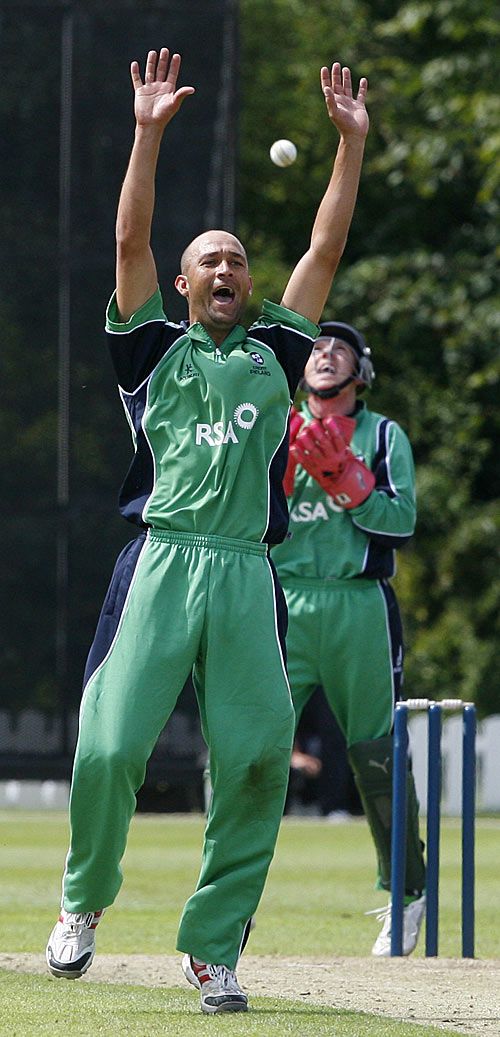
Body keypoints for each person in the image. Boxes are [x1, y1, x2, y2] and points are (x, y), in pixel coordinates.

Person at [45, 49, 369, 1012]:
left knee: (261, 756)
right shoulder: (150, 346)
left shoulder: (278, 341)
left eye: (235, 258)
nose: (224, 267)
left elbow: (325, 250)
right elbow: (129, 238)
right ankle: (82, 905)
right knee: (107, 748)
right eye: (208, 260)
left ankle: (215, 947)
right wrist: (147, 135)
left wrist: (348, 150)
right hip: (160, 559)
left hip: (245, 573)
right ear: (184, 284)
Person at [271, 321, 426, 955]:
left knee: (375, 754)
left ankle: (407, 892)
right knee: (247, 747)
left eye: (339, 347)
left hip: (357, 602)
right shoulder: (274, 426)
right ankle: (228, 907)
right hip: (280, 599)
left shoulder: (383, 434)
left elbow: (401, 520)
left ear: (360, 370)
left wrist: (348, 481)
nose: (324, 352)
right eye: (315, 345)